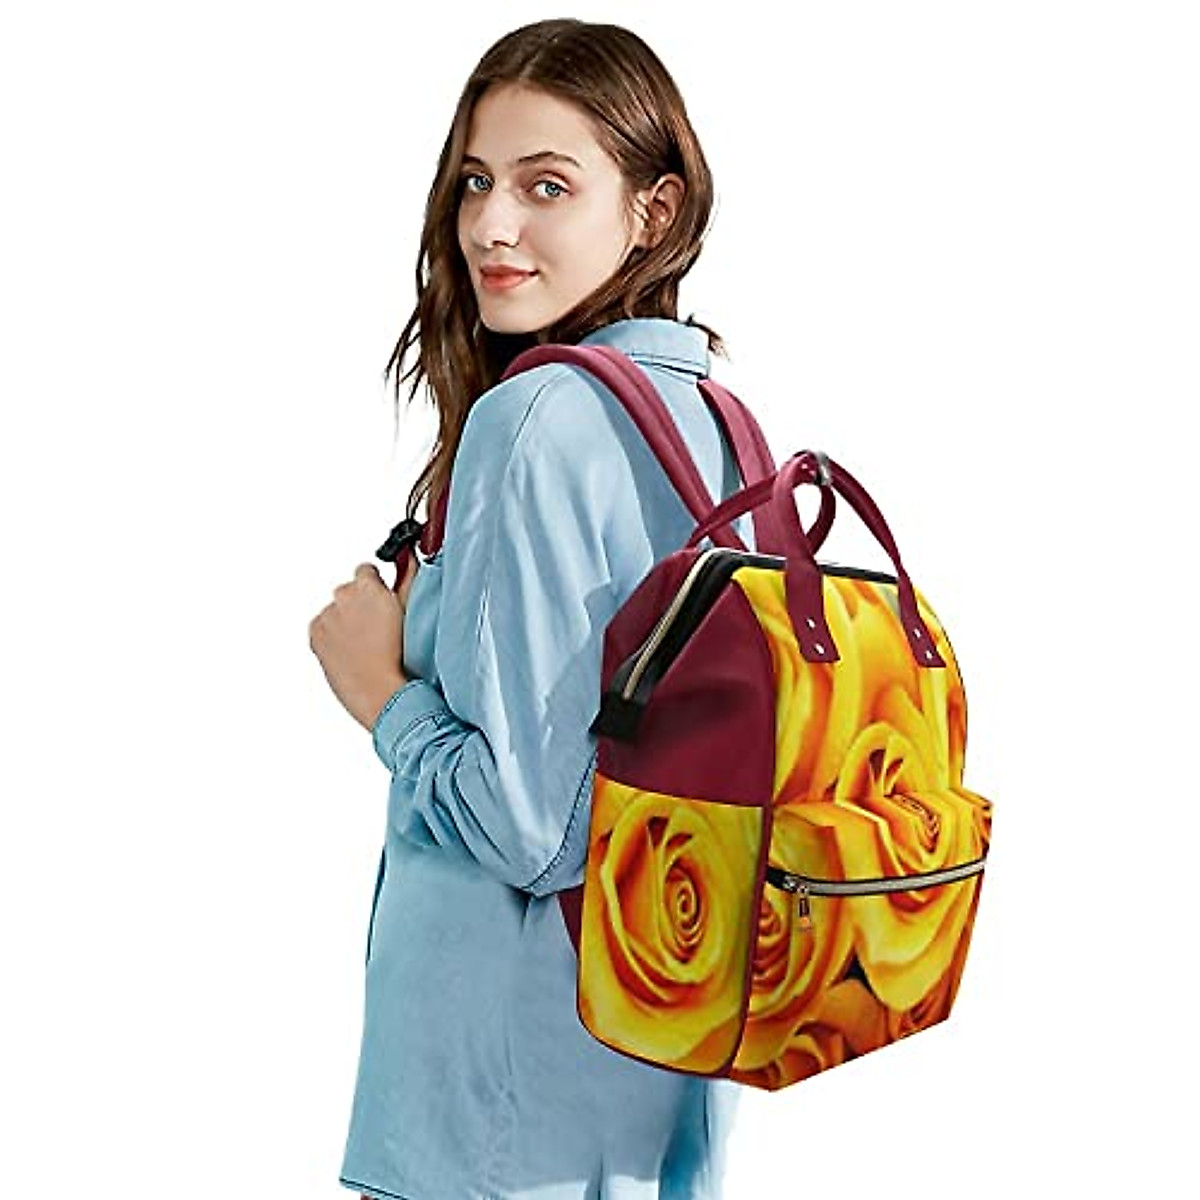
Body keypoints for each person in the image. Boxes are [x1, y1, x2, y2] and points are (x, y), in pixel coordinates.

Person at [308, 18, 757, 1200]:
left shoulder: (536, 420)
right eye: (474, 182)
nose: (489, 226)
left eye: (545, 185)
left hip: (494, 1126)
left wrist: (381, 694)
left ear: (654, 210)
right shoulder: (721, 429)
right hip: (654, 1088)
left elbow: (529, 831)